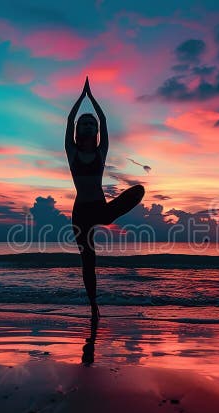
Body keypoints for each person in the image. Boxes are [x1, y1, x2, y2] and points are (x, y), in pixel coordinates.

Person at [66, 76, 144, 320]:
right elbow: (69, 119)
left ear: (97, 130)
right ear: (78, 131)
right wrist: (82, 97)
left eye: (91, 124)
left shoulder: (101, 152)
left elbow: (104, 119)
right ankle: (93, 305)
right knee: (89, 260)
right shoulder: (72, 152)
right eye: (84, 124)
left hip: (101, 209)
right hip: (81, 213)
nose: (88, 126)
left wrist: (93, 99)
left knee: (139, 190)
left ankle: (113, 216)